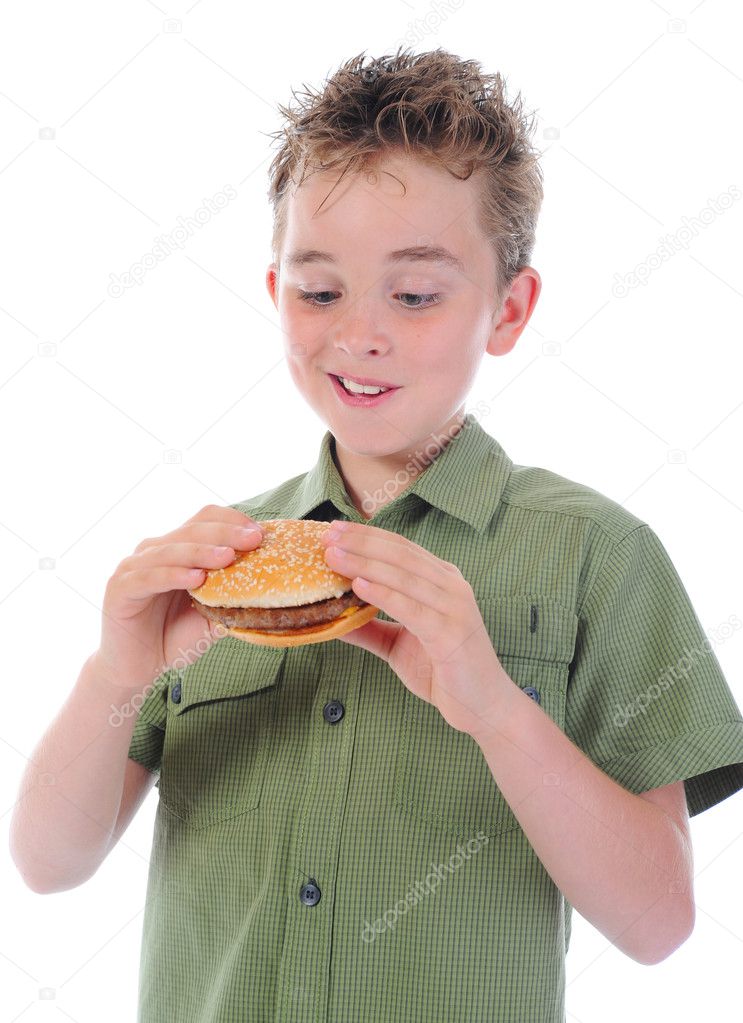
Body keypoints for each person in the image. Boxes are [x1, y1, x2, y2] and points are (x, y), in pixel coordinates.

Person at [10, 47, 743, 1023]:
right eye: (320, 292)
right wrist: (117, 672)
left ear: (508, 310)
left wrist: (494, 708)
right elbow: (48, 867)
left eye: (413, 294)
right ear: (276, 293)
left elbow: (658, 925)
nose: (358, 334)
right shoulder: (214, 565)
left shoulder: (595, 556)